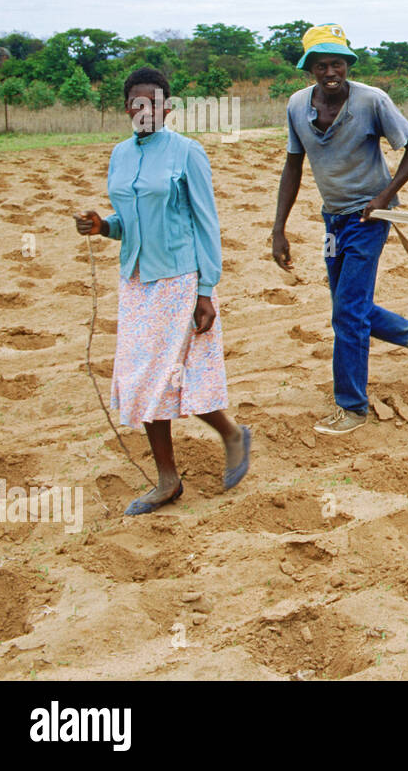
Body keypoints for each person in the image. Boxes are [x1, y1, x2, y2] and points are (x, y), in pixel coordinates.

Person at [74, 67, 250, 515]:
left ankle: (229, 433)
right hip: (134, 279)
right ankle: (169, 478)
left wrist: (206, 289)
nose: (144, 110)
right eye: (136, 102)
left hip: (178, 280)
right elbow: (127, 221)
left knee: (163, 374)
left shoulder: (187, 153)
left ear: (167, 109)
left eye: (153, 103)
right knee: (140, 379)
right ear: (126, 108)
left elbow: (206, 223)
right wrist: (103, 227)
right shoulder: (119, 155)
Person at [271, 23, 408, 436]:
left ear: (347, 64)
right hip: (334, 219)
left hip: (370, 217)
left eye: (337, 64)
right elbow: (293, 165)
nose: (331, 72)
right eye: (321, 66)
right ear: (310, 69)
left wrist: (385, 196)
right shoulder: (298, 106)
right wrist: (278, 228)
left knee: (347, 313)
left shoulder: (372, 101)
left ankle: (351, 406)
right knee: (348, 308)